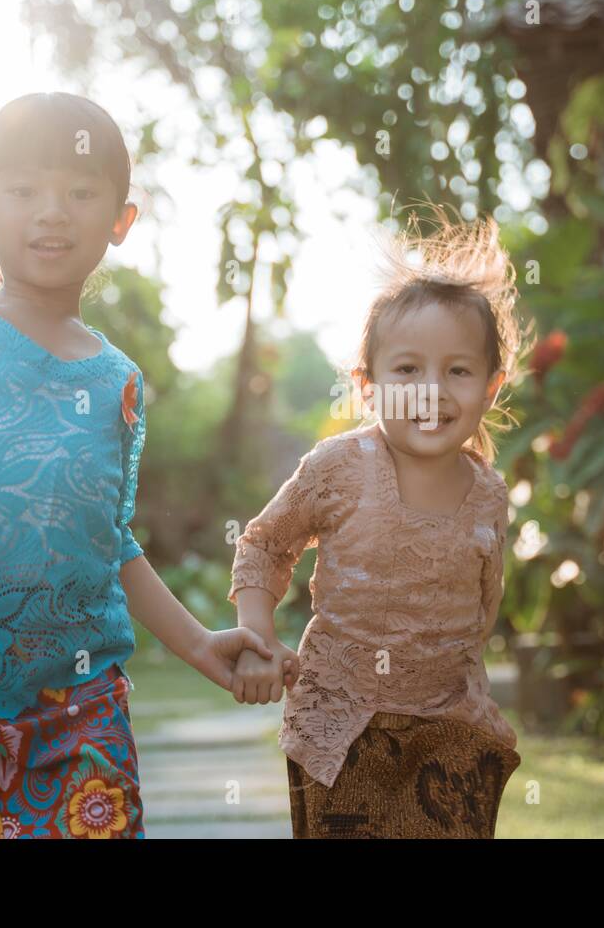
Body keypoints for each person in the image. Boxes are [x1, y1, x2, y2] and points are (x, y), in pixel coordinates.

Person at [0, 92, 281, 838]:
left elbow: (112, 544)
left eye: (81, 193)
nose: (53, 212)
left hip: (86, 696)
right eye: (24, 191)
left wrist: (199, 643)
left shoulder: (119, 380)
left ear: (121, 220)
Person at [229, 208, 526, 838]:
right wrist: (257, 636)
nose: (432, 390)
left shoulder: (489, 495)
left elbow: (483, 605)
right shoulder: (341, 468)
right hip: (344, 727)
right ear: (368, 386)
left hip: (453, 732)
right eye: (408, 369)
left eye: (459, 370)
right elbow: (264, 545)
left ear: (493, 388)